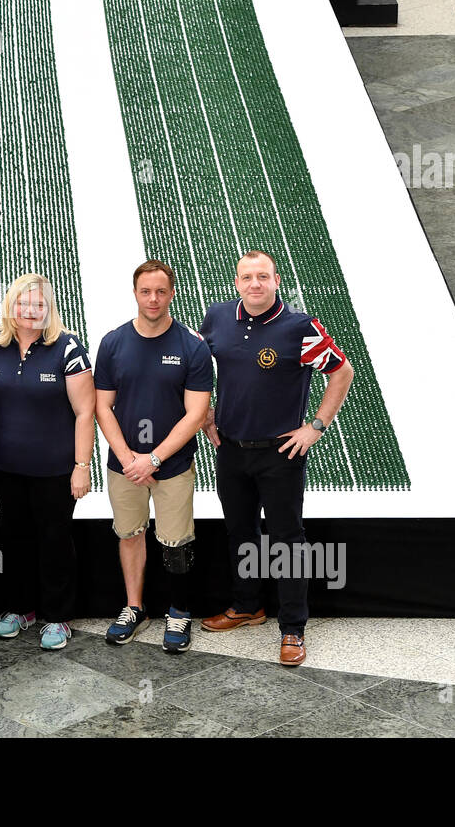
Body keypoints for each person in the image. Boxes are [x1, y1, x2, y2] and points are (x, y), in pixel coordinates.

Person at [198, 250, 354, 666]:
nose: (255, 284)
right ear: (236, 283)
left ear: (276, 281)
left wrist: (316, 427)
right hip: (230, 449)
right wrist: (206, 415)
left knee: (288, 540)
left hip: (280, 455)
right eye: (247, 277)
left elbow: (342, 371)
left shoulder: (300, 327)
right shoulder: (216, 318)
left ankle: (293, 629)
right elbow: (196, 368)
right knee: (240, 533)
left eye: (262, 276)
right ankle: (248, 606)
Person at [94, 259, 212, 653]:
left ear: (172, 293)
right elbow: (101, 406)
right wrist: (130, 458)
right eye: (146, 291)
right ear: (135, 294)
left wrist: (154, 459)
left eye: (161, 291)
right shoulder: (112, 343)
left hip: (172, 465)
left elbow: (196, 413)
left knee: (176, 542)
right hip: (124, 465)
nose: (153, 299)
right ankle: (134, 608)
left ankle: (178, 612)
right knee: (130, 534)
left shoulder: (192, 346)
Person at [0, 274, 94, 650]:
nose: (31, 311)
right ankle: (20, 609)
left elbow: (84, 412)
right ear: (11, 305)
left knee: (55, 540)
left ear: (50, 310)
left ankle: (57, 617)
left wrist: (82, 465)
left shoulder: (68, 347)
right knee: (14, 537)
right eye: (25, 303)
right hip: (5, 466)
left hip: (55, 470)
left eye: (40, 304)